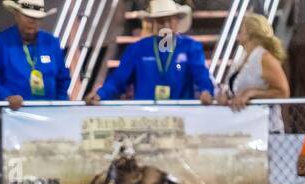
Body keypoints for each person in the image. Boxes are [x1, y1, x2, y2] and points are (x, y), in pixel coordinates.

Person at [86, 0, 215, 105]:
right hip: (146, 115)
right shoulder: (138, 48)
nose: (166, 24)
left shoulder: (191, 47)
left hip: (181, 113)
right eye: (160, 21)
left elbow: (201, 75)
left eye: (170, 19)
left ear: (177, 20)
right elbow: (118, 79)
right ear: (152, 23)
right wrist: (100, 95)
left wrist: (206, 91)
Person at [0, 0, 70, 110]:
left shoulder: (52, 42)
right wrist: (7, 97)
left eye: (36, 18)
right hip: (12, 117)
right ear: (16, 15)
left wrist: (60, 106)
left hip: (49, 116)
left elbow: (63, 79)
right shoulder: (0, 43)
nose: (31, 21)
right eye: (27, 16)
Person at [222, 12, 290, 132]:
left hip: (267, 128)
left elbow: (283, 92)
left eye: (242, 30)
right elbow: (236, 89)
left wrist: (252, 93)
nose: (239, 33)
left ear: (251, 34)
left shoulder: (265, 58)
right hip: (244, 126)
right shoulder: (243, 58)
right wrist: (226, 94)